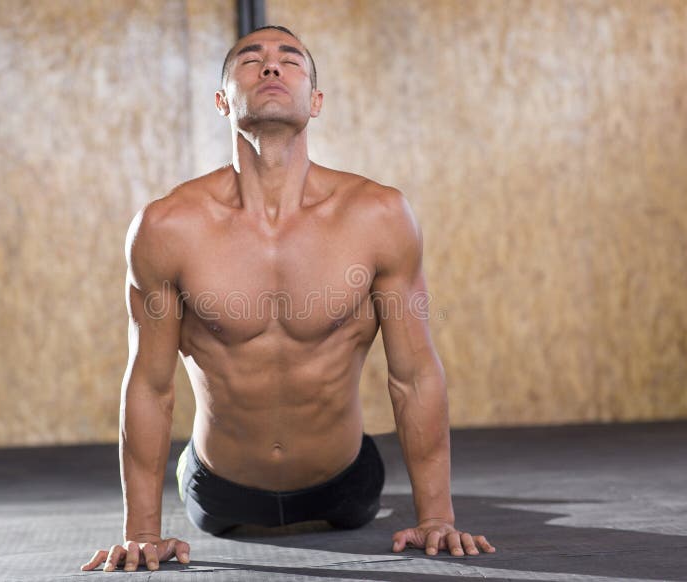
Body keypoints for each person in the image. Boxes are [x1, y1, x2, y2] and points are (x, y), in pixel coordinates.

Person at [81, 24, 495, 573]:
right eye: (251, 60)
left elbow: (414, 373)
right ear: (222, 100)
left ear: (316, 101)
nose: (271, 66)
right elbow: (151, 384)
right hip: (219, 490)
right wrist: (141, 533)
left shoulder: (378, 215)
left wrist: (437, 517)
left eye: (290, 61)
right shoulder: (167, 226)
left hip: (346, 485)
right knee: (190, 469)